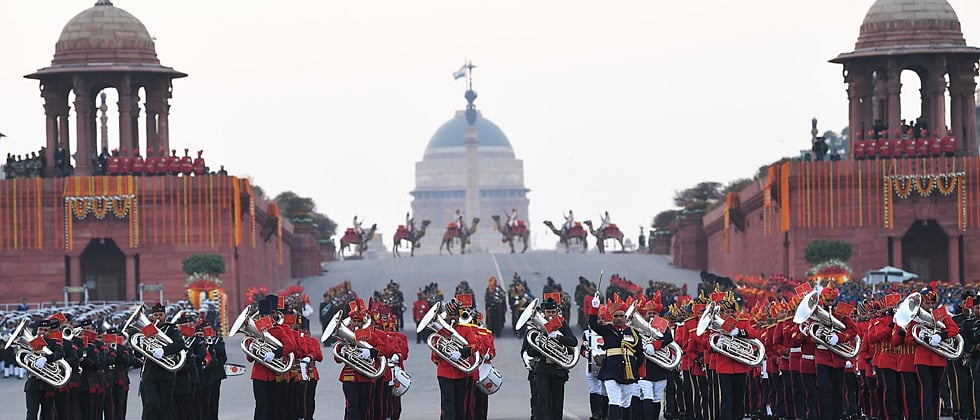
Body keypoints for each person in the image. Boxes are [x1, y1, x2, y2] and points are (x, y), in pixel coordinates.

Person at [906, 283, 959, 420]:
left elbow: (954, 329)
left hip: (939, 359)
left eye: (931, 303)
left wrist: (941, 336)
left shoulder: (940, 313)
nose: (929, 306)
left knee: (936, 391)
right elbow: (908, 340)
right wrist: (920, 337)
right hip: (922, 358)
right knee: (927, 391)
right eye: (927, 303)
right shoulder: (915, 317)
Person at [524, 293, 578, 420]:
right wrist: (538, 344)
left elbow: (573, 342)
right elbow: (530, 352)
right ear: (543, 312)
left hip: (558, 369)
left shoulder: (561, 325)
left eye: (553, 311)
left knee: (557, 402)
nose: (551, 315)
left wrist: (558, 337)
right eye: (548, 312)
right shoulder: (536, 327)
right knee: (542, 398)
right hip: (542, 368)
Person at [589, 293, 641, 420]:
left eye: (621, 316)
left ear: (625, 317)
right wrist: (594, 308)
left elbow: (639, 353)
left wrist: (638, 369)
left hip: (628, 371)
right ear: (612, 318)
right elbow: (593, 324)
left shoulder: (633, 332)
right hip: (611, 371)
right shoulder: (607, 330)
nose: (618, 318)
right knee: (614, 400)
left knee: (626, 403)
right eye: (616, 316)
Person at [812, 284, 858, 420]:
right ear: (822, 300)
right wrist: (816, 333)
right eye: (828, 301)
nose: (830, 303)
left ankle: (838, 416)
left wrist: (839, 337)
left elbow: (853, 330)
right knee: (824, 390)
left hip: (838, 358)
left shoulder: (842, 314)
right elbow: (809, 329)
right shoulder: (816, 313)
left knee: (838, 391)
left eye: (832, 301)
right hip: (822, 357)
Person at [249, 295, 298, 420]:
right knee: (261, 405)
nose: (262, 319)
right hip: (258, 375)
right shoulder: (254, 333)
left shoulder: (279, 330)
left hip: (274, 375)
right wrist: (251, 348)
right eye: (260, 317)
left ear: (271, 317)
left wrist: (275, 354)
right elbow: (249, 359)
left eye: (265, 316)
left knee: (274, 406)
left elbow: (291, 346)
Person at [433, 298, 484, 420]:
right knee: (447, 404)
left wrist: (460, 353)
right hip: (444, 373)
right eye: (450, 315)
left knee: (461, 405)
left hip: (461, 374)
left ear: (458, 316)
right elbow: (434, 357)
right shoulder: (441, 332)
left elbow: (475, 345)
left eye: (455, 315)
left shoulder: (466, 329)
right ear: (446, 316)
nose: (452, 318)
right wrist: (443, 352)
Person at [336, 298, 385, 420]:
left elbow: (383, 348)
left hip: (365, 377)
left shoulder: (369, 334)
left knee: (364, 407)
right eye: (353, 321)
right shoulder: (344, 335)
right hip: (349, 376)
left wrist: (370, 352)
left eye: (358, 321)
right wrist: (341, 351)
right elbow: (337, 359)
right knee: (352, 406)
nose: (356, 324)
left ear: (363, 322)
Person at [140, 303, 185, 420]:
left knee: (165, 406)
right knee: (150, 404)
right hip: (150, 373)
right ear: (152, 316)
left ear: (165, 316)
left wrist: (164, 350)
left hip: (166, 373)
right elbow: (137, 354)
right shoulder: (148, 329)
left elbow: (180, 344)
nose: (158, 317)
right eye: (156, 315)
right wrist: (141, 343)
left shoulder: (171, 328)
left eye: (161, 314)